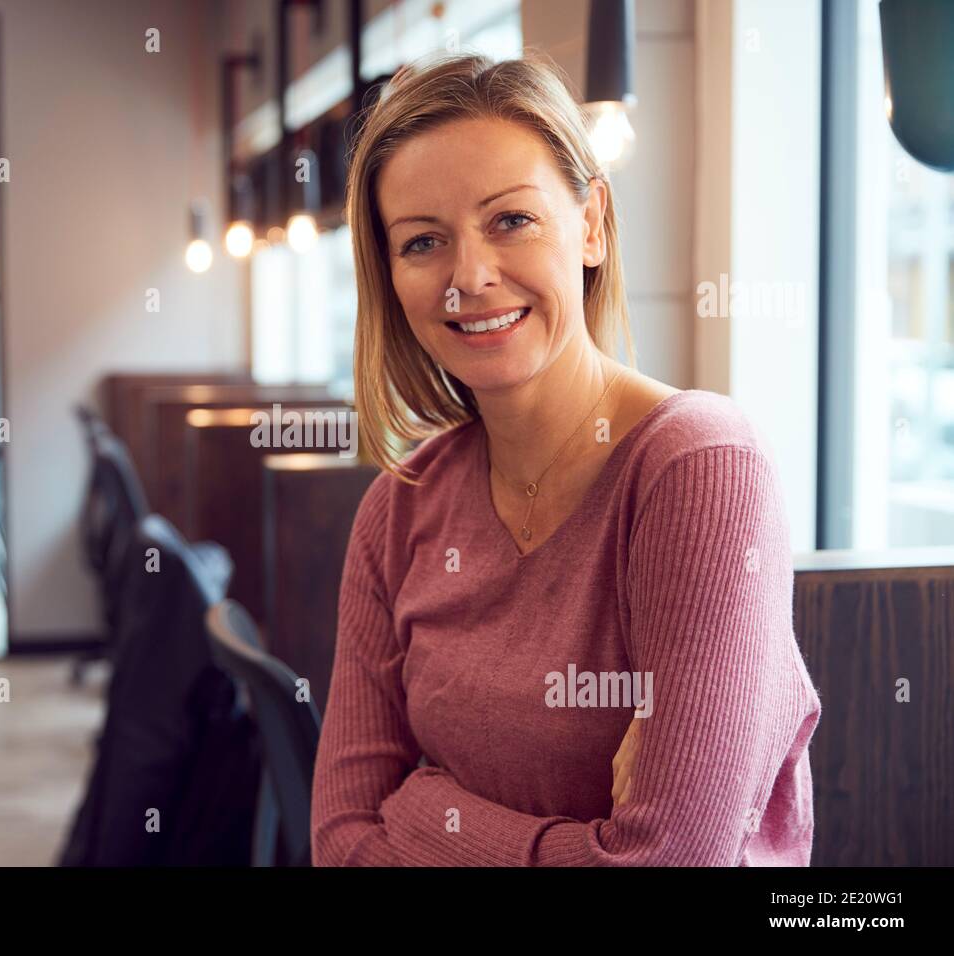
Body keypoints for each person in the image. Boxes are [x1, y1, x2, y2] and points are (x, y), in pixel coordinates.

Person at [310, 52, 822, 866]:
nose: (469, 277)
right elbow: (341, 843)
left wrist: (424, 814)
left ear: (590, 225)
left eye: (511, 220)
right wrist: (583, 846)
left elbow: (668, 864)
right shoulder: (399, 508)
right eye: (423, 242)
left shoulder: (701, 467)